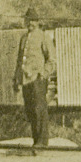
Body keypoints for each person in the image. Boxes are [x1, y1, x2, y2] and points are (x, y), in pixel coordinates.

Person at [14, 10, 55, 152]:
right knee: (30, 110)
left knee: (39, 109)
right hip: (26, 80)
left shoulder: (44, 37)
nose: (30, 23)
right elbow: (19, 61)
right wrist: (17, 79)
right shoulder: (24, 38)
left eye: (33, 20)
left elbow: (51, 60)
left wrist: (43, 74)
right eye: (28, 20)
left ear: (38, 22)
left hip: (38, 79)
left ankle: (42, 142)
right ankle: (35, 141)